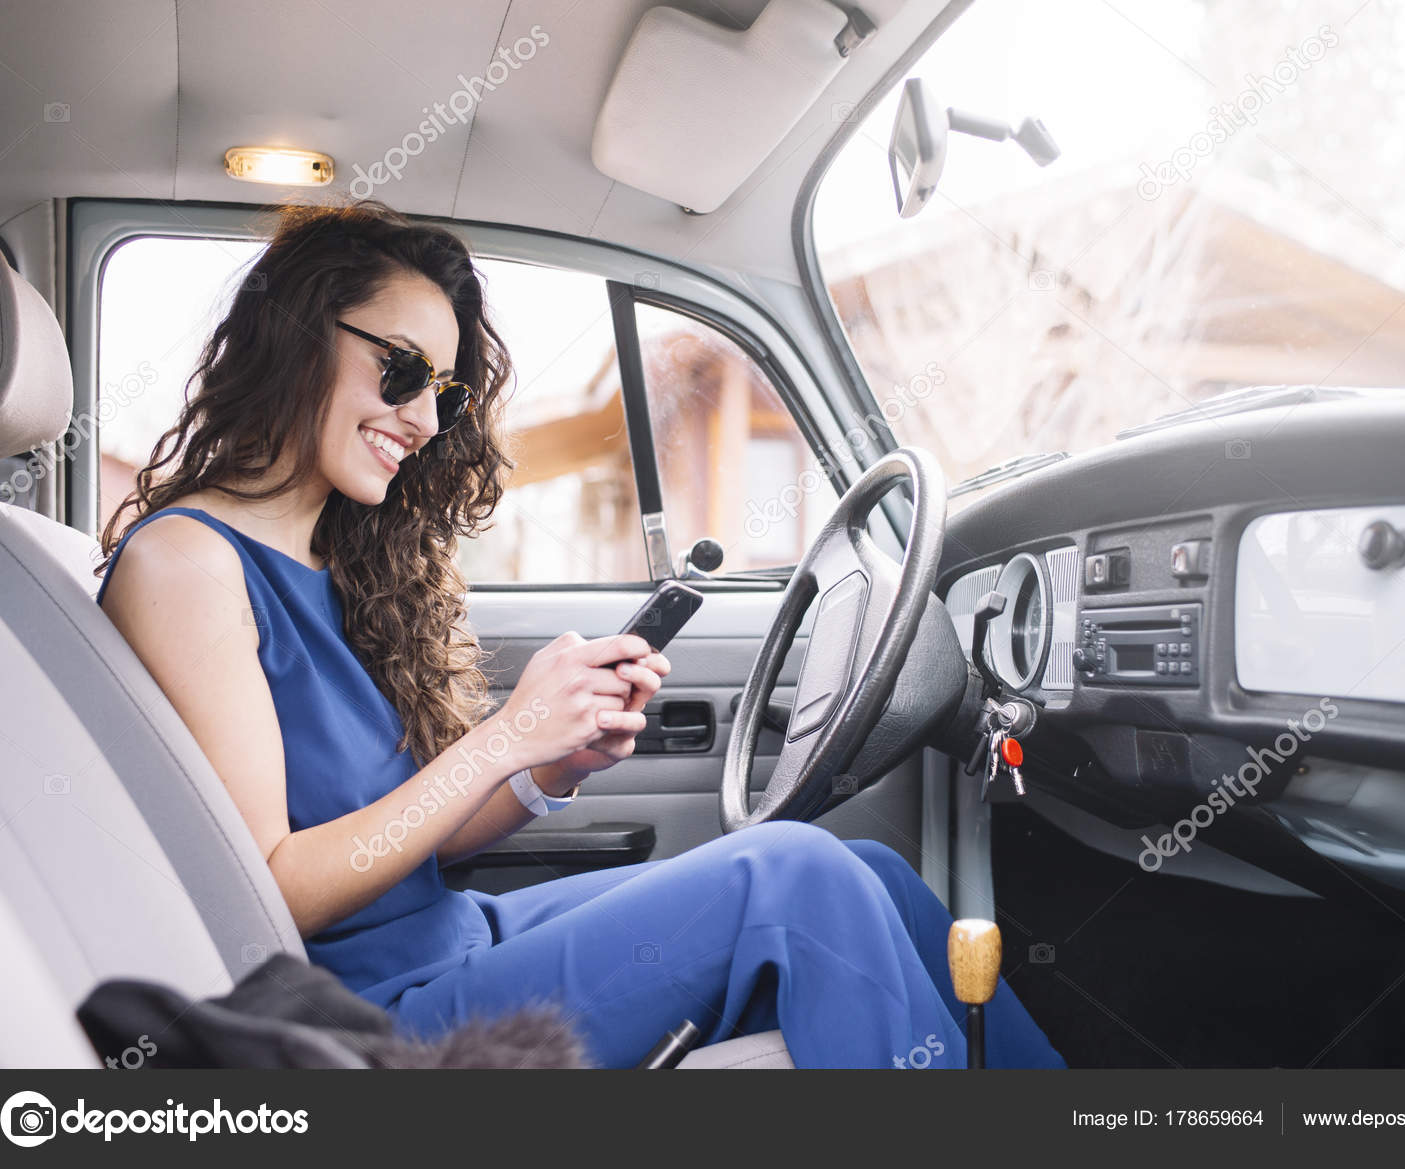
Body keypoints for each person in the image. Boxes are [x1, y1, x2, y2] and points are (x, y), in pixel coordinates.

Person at [95, 200, 1065, 1070]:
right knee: (797, 874)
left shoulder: (333, 561)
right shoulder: (187, 565)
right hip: (361, 1012)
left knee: (874, 873)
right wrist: (505, 736)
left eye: (444, 392)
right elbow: (274, 888)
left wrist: (548, 765)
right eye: (401, 370)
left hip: (457, 937)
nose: (424, 419)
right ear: (298, 335)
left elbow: (406, 836)